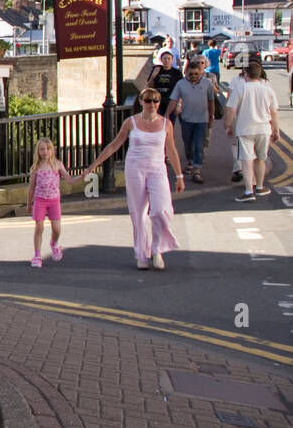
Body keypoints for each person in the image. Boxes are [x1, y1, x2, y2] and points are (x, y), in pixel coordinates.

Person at [87, 88, 185, 270]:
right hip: (135, 169)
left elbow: (171, 150)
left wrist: (179, 176)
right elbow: (115, 144)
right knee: (138, 214)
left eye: (155, 101)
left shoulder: (166, 124)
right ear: (141, 102)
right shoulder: (130, 122)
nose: (152, 104)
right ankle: (142, 254)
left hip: (157, 169)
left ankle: (157, 249)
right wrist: (94, 165)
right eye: (148, 100)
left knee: (161, 210)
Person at [225, 60, 280, 201]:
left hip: (245, 130)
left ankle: (249, 191)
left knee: (246, 161)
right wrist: (276, 130)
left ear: (246, 74)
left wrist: (228, 125)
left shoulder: (240, 89)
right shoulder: (268, 90)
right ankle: (260, 187)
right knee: (261, 159)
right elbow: (274, 112)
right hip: (264, 130)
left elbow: (231, 109)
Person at [25, 138, 80, 268]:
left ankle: (54, 243)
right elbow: (31, 187)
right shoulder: (36, 168)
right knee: (39, 227)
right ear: (38, 151)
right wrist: (29, 203)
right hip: (40, 200)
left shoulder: (57, 165)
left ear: (52, 150)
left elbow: (69, 179)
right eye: (42, 149)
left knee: (56, 229)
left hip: (54, 201)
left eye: (48, 148)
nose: (45, 152)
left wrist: (82, 176)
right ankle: (37, 255)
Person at [167, 59, 215, 183]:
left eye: (196, 74)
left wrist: (211, 117)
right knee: (188, 144)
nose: (193, 76)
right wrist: (166, 115)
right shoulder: (180, 84)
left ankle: (197, 171)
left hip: (202, 120)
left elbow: (211, 101)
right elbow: (173, 100)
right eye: (191, 74)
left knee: (199, 145)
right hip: (186, 119)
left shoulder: (207, 84)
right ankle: (190, 161)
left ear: (201, 73)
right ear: (186, 73)